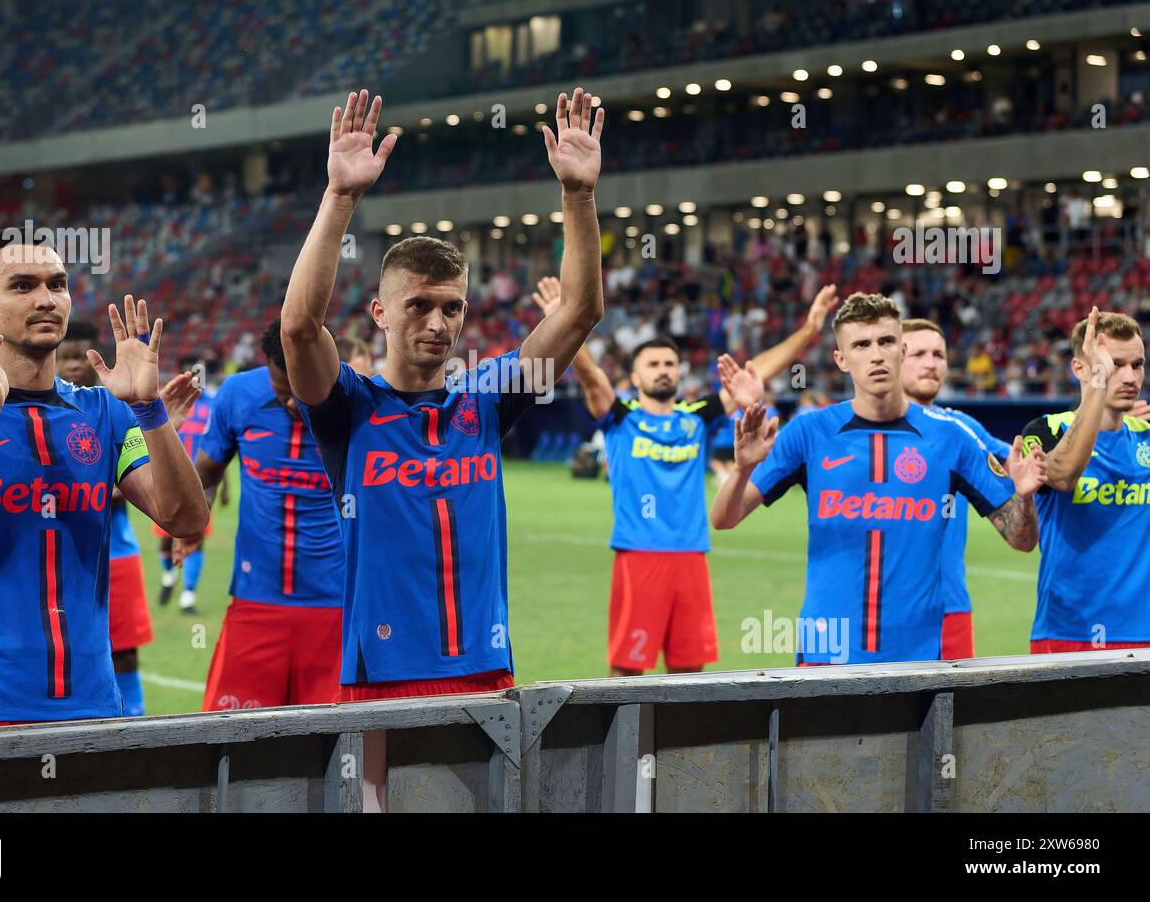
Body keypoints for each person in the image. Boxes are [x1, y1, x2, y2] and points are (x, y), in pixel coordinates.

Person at [281, 87, 605, 699]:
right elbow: (298, 328)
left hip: (485, 672)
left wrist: (579, 196)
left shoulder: (486, 400)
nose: (438, 324)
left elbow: (581, 312)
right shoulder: (346, 409)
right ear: (379, 312)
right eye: (419, 305)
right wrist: (341, 196)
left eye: (452, 307)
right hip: (379, 679)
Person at [0, 231, 208, 728]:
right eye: (22, 286)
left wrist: (148, 408)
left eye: (57, 284)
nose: (45, 299)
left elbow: (185, 517)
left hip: (93, 703)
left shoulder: (103, 410)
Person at [710, 292, 1045, 665]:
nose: (876, 354)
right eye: (861, 345)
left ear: (901, 349)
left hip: (916, 655)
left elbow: (1022, 540)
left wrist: (1027, 496)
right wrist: (741, 470)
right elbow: (724, 519)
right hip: (826, 651)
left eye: (885, 341)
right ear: (840, 358)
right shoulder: (809, 432)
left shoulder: (950, 438)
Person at [532, 275, 839, 676]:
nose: (663, 371)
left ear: (680, 373)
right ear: (635, 377)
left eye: (669, 364)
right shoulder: (620, 418)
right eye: (653, 365)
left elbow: (753, 374)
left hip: (692, 558)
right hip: (638, 557)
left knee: (689, 673)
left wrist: (808, 332)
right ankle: (625, 741)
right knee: (625, 674)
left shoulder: (696, 420)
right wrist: (565, 321)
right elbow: (590, 375)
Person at [176, 318, 345, 709]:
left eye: (300, 396)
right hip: (256, 602)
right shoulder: (238, 393)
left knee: (337, 747)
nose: (289, 404)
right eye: (281, 391)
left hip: (336, 606)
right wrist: (193, 524)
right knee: (230, 743)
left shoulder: (358, 402)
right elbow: (207, 473)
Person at [58, 322, 199, 716]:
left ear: (95, 359)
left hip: (117, 555)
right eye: (64, 357)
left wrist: (159, 426)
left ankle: (132, 728)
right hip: (64, 560)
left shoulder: (116, 411)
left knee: (123, 655)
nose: (71, 366)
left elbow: (156, 489)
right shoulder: (49, 415)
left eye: (78, 357)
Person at [1021, 308, 1150, 653]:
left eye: (1136, 365)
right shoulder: (1046, 429)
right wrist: (1097, 383)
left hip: (1143, 630)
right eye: (1114, 364)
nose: (1129, 376)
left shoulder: (1146, 439)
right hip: (1067, 630)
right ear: (1080, 368)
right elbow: (1061, 476)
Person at [901, 318, 1013, 659]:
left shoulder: (962, 427)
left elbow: (1024, 462)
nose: (931, 363)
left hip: (950, 608)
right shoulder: (862, 431)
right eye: (918, 353)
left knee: (956, 711)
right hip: (880, 613)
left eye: (939, 354)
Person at [156, 355, 218, 613]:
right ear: (180, 374)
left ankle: (188, 597)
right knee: (164, 539)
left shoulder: (214, 405)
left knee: (197, 536)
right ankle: (169, 575)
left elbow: (219, 450)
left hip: (201, 483)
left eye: (199, 372)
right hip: (168, 480)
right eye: (191, 373)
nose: (195, 378)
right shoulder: (166, 404)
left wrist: (220, 488)